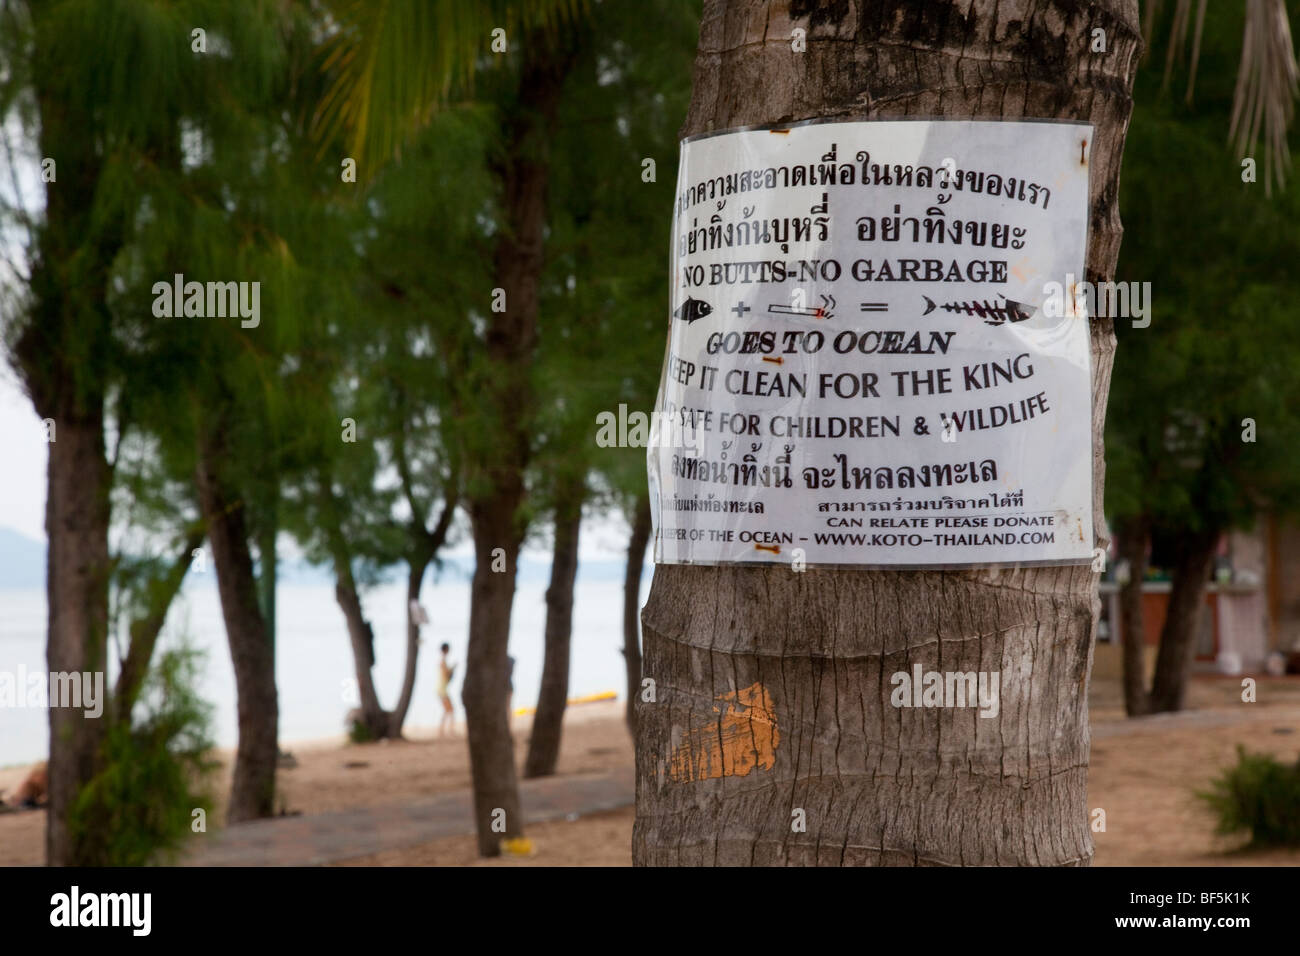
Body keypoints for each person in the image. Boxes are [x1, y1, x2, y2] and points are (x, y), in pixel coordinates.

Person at [436, 643, 456, 738]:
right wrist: (453, 669)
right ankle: (449, 730)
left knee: (448, 710)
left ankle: (442, 730)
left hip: (442, 689)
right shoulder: (443, 662)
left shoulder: (443, 661)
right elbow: (446, 674)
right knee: (450, 710)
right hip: (442, 690)